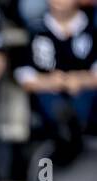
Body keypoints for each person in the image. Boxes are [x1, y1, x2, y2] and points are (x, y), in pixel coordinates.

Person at [14, 0, 97, 137]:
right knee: (54, 107)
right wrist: (47, 82)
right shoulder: (36, 29)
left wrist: (81, 80)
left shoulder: (90, 29)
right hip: (49, 97)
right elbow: (23, 74)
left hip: (84, 97)